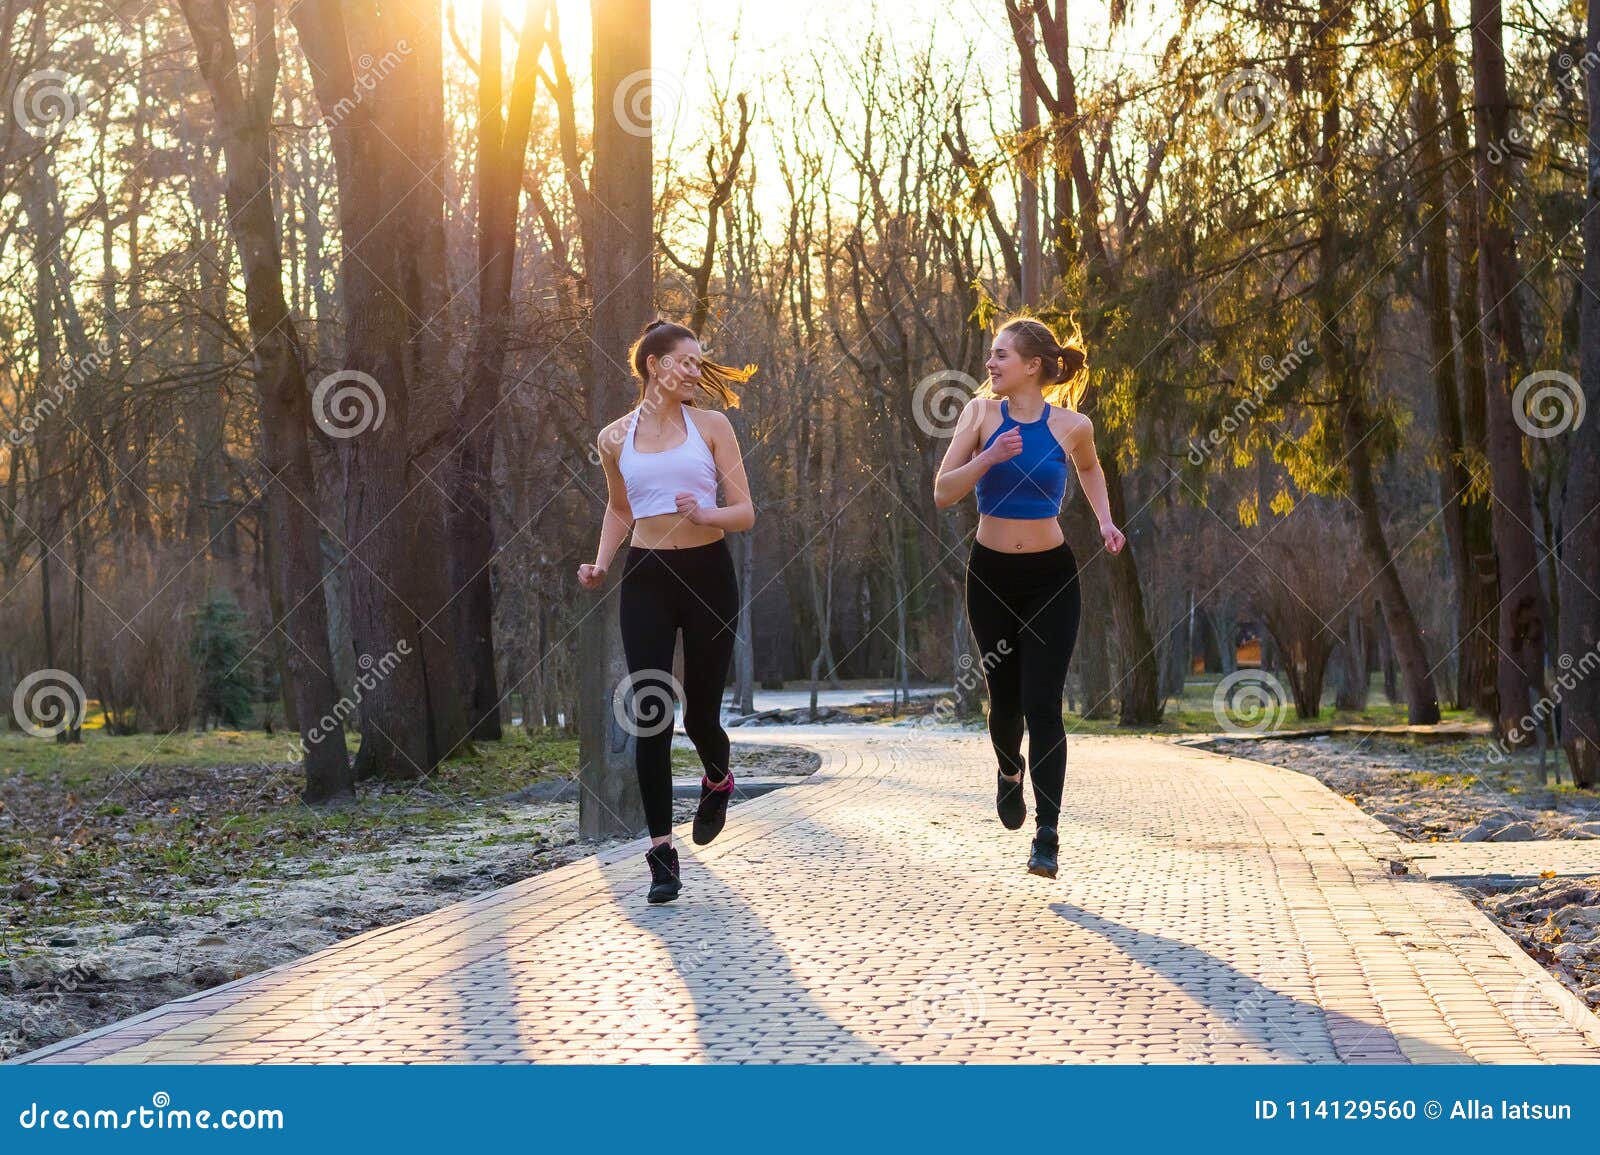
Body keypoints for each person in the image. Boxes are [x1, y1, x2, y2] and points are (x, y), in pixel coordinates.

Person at [932, 316, 1124, 878]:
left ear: (1032, 366)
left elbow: (1090, 469)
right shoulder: (979, 414)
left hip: (1052, 577)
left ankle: (1048, 834)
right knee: (1005, 700)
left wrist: (1107, 522)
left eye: (1000, 356)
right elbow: (943, 493)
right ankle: (1008, 770)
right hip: (990, 576)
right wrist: (987, 457)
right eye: (990, 355)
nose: (990, 364)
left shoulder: (1072, 425)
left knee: (1044, 702)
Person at [578, 320, 756, 903]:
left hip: (708, 574)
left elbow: (745, 512)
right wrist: (601, 562)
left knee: (701, 716)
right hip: (646, 577)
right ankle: (661, 854)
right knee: (651, 711)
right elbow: (619, 508)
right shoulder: (614, 437)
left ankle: (717, 778)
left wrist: (706, 514)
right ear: (654, 365)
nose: (695, 371)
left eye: (700, 361)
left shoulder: (711, 426)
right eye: (685, 361)